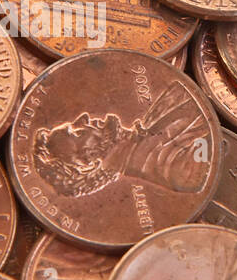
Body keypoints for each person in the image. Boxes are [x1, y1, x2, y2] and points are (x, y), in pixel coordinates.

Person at [32, 81, 210, 198]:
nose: (83, 118)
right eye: (77, 132)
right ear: (88, 161)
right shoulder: (177, 170)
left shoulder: (145, 129)